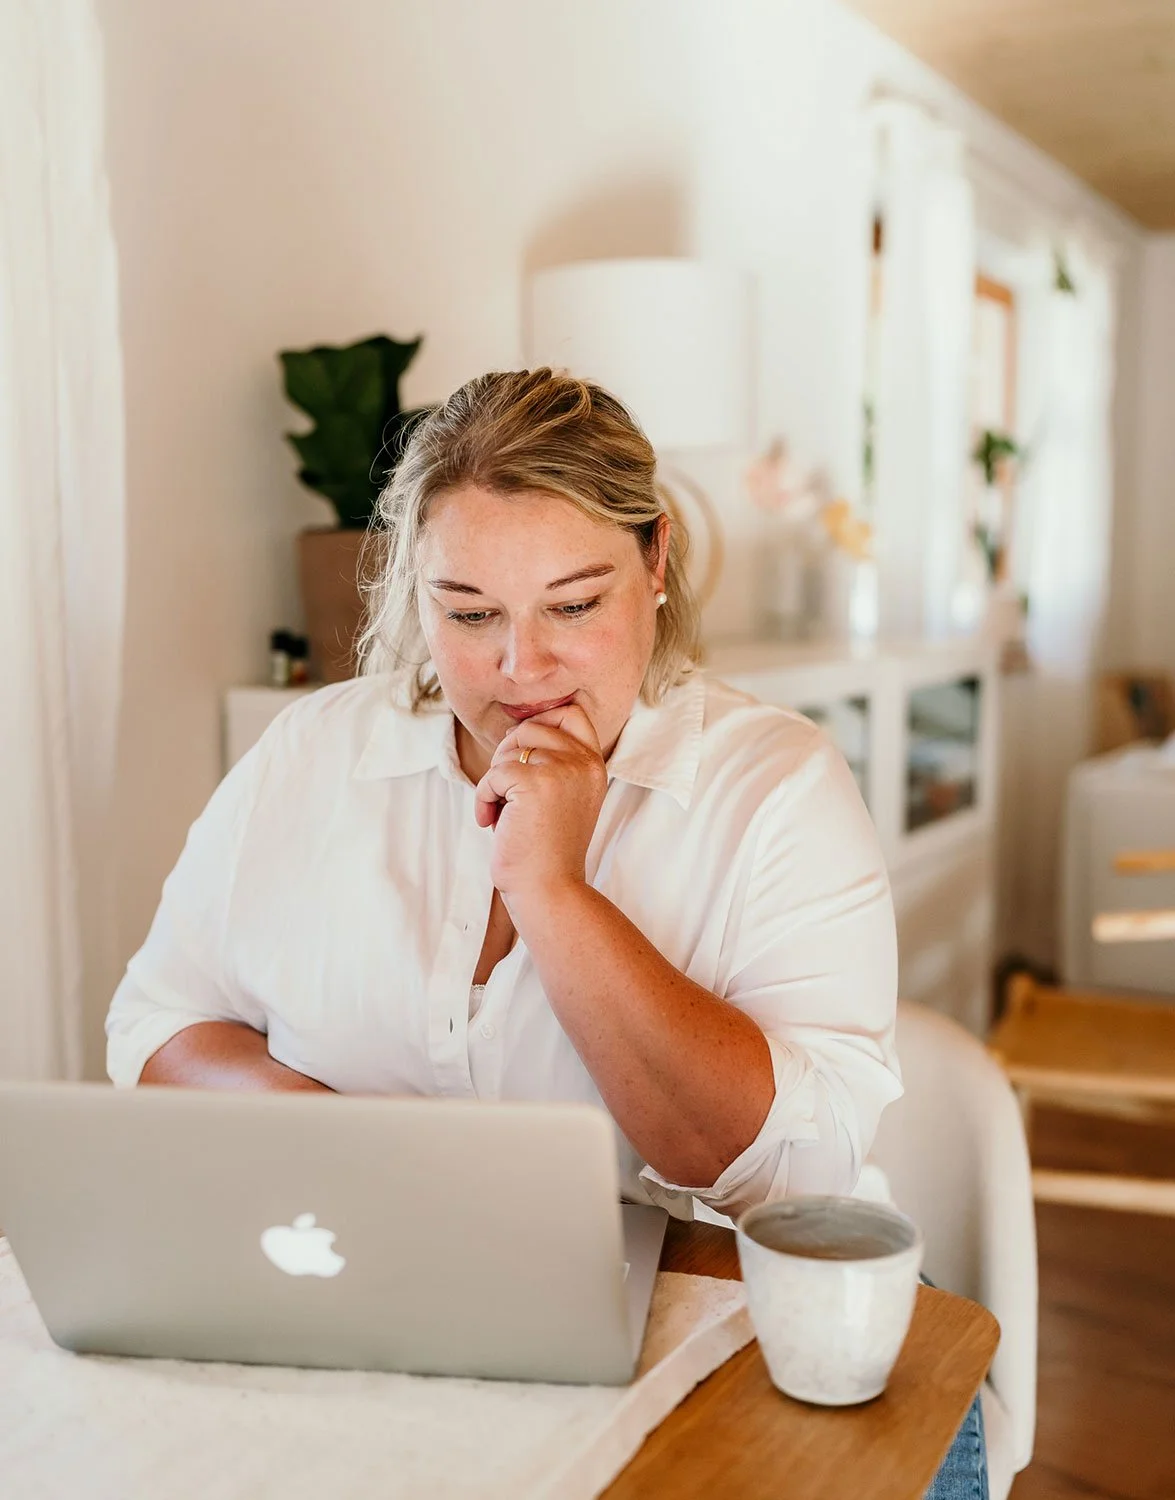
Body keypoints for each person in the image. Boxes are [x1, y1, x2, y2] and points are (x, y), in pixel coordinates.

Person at [105, 367, 986, 1497]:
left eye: (572, 606)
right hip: (388, 1299)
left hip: (743, 1319)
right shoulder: (309, 752)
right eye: (469, 614)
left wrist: (553, 891)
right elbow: (158, 1023)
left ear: (655, 561)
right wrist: (362, 1155)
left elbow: (780, 1174)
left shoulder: (777, 787)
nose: (519, 669)